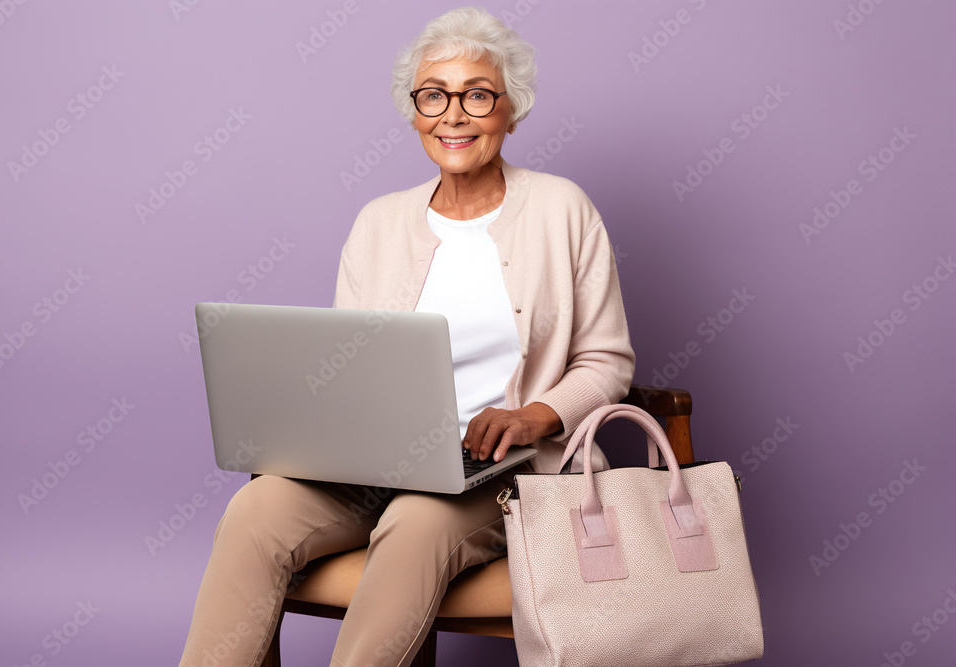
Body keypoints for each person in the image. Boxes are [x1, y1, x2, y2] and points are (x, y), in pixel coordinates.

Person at [178, 6, 635, 666]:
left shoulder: (564, 209)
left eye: (477, 94)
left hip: (502, 474)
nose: (454, 114)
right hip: (373, 466)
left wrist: (537, 415)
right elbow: (350, 367)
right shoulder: (379, 223)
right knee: (255, 511)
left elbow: (606, 358)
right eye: (434, 96)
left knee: (417, 520)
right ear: (415, 110)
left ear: (512, 109)